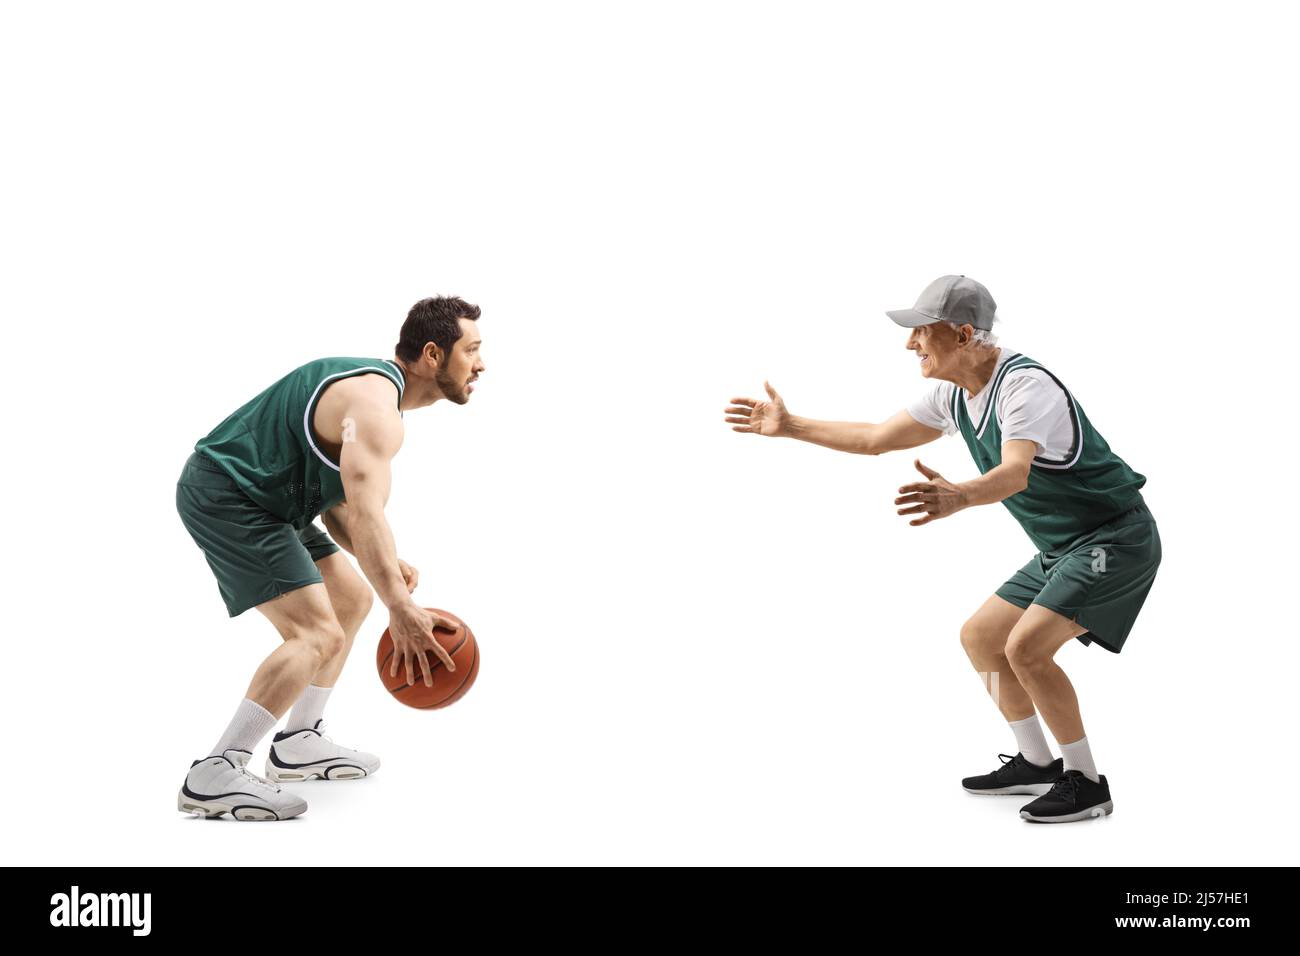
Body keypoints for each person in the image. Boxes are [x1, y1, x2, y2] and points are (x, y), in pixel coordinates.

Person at [725, 275, 1160, 823]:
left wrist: (961, 496)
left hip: (1114, 539)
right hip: (1064, 546)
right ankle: (1036, 762)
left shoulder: (1026, 387)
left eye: (921, 333)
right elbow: (875, 440)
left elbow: (1013, 474)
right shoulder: (953, 395)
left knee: (1026, 648)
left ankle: (1087, 782)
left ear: (962, 334)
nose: (910, 345)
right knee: (981, 637)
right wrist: (790, 426)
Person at [175, 296, 485, 820]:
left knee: (350, 597)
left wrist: (385, 565)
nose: (481, 364)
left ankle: (297, 741)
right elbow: (363, 515)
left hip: (273, 501)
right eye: (472, 350)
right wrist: (401, 606)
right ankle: (216, 771)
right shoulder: (375, 409)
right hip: (230, 494)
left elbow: (340, 507)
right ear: (433, 354)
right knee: (317, 635)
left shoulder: (370, 396)